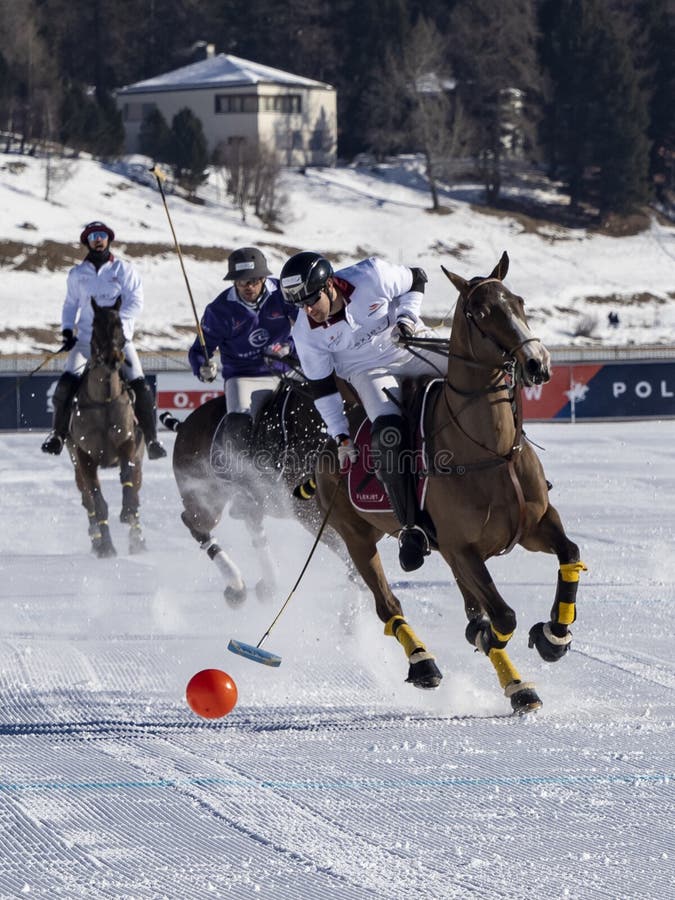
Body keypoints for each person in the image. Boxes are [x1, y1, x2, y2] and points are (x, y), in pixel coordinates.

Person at [280, 251, 441, 572]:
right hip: (369, 372)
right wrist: (341, 436)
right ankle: (412, 528)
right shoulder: (305, 333)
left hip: (412, 346)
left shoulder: (372, 275)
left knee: (485, 373)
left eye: (311, 300)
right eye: (300, 305)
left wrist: (406, 319)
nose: (308, 310)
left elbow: (417, 278)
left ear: (329, 285)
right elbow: (323, 388)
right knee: (387, 436)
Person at [41, 221, 167, 460]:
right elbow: (70, 304)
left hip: (119, 343)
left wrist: (114, 321)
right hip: (86, 343)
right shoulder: (77, 274)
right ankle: (57, 435)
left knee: (140, 385)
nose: (98, 239)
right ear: (87, 242)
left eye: (101, 235)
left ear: (108, 239)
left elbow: (136, 301)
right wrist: (67, 330)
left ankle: (152, 440)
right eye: (93, 236)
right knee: (66, 384)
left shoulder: (124, 269)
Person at [188, 247, 297, 493]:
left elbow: (307, 326)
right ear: (234, 282)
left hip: (286, 370)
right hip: (244, 375)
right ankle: (242, 486)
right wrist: (203, 367)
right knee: (238, 421)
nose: (249, 287)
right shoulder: (219, 310)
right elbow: (200, 350)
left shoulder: (282, 293)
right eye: (242, 281)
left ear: (264, 279)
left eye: (254, 280)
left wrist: (291, 346)